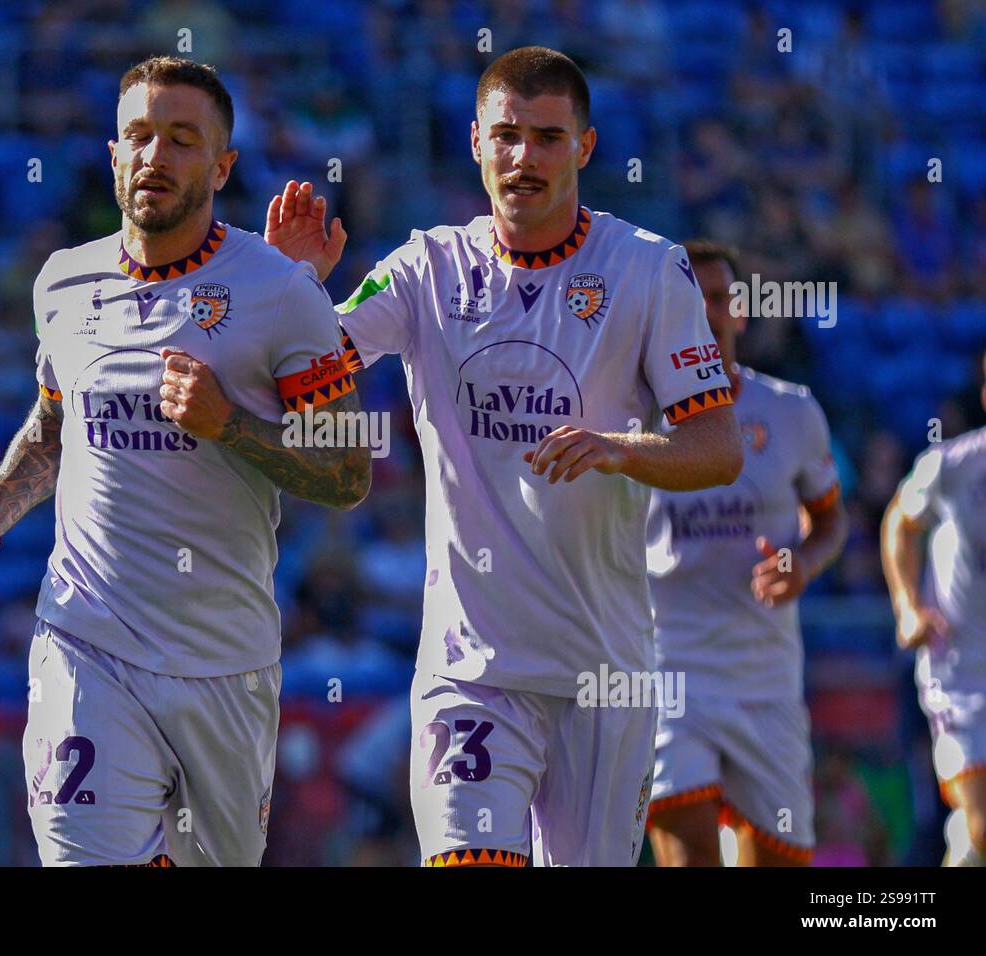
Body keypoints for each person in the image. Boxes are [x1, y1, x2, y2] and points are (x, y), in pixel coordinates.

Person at [267, 46, 742, 866]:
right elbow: (307, 384)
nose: (525, 157)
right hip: (471, 671)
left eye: (549, 137)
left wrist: (620, 447)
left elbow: (716, 447)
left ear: (586, 147)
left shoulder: (647, 269)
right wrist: (294, 290)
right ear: (477, 141)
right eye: (508, 135)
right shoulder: (425, 269)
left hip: (605, 675)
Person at [0, 56, 370, 866]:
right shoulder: (63, 282)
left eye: (181, 140)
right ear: (113, 153)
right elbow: (53, 425)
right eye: (139, 135)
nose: (155, 157)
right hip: (85, 640)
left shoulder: (282, 292)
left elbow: (347, 475)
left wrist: (230, 424)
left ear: (222, 164)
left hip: (225, 666)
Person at [644, 240, 847, 867]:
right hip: (668, 670)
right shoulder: (631, 418)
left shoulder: (791, 411)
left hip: (767, 676)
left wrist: (802, 565)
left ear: (740, 312)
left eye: (717, 297)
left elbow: (832, 521)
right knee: (694, 853)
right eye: (689, 299)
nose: (706, 311)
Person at [881, 353, 986, 866]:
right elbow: (900, 521)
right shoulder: (954, 466)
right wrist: (907, 606)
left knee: (971, 843)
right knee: (983, 824)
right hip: (961, 675)